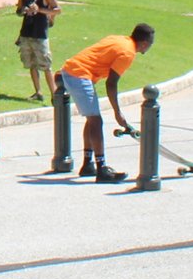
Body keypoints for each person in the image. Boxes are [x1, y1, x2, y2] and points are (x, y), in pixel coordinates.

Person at [57, 26, 156, 182]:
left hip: (74, 70)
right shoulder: (127, 53)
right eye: (150, 43)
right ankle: (101, 169)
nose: (150, 46)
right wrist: (118, 112)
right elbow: (111, 84)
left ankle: (88, 164)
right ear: (144, 43)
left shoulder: (119, 39)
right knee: (96, 121)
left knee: (92, 119)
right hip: (79, 74)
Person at [13, 0, 59, 102]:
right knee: (31, 63)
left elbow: (57, 10)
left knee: (46, 65)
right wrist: (25, 10)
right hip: (26, 31)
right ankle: (38, 91)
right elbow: (18, 11)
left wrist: (40, 10)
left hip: (40, 32)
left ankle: (54, 93)